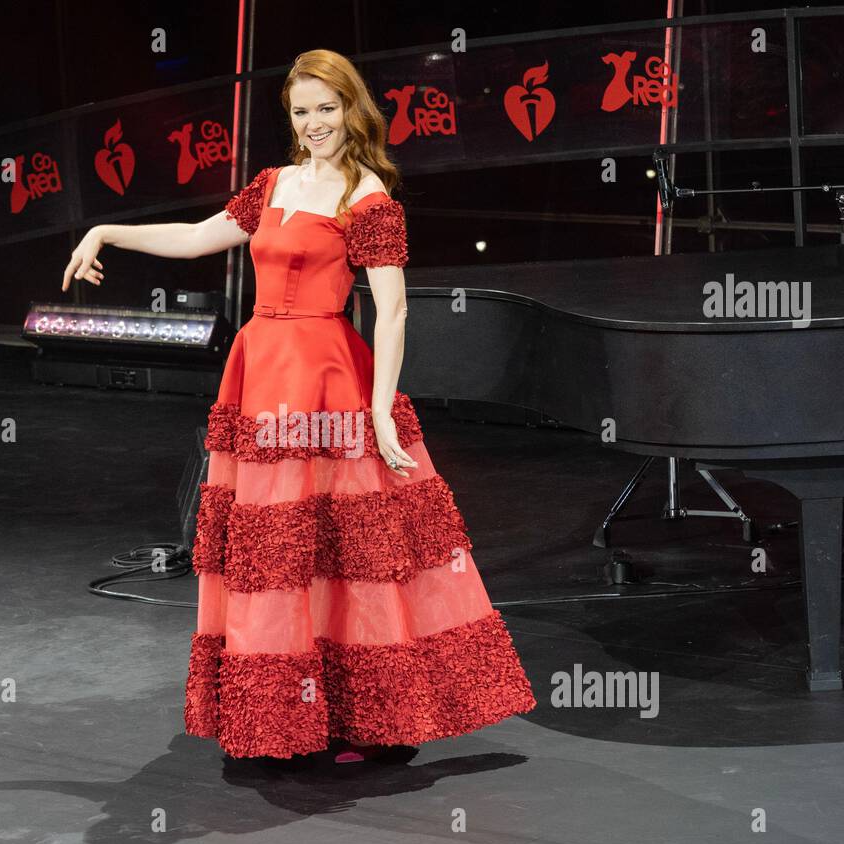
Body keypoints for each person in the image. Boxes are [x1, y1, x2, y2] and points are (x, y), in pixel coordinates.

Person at [63, 49, 536, 765]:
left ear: (352, 110)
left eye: (327, 107)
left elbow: (395, 311)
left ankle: (362, 713)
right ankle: (287, 715)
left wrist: (381, 410)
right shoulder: (274, 184)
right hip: (262, 370)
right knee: (274, 552)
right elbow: (197, 238)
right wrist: (103, 232)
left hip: (327, 377)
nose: (315, 122)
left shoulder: (368, 197)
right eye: (301, 110)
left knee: (345, 550)